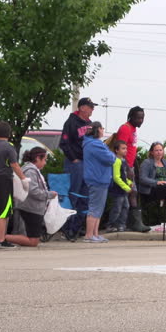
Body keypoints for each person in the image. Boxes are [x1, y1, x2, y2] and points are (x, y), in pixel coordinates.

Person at [0, 121, 27, 248]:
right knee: (4, 210)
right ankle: (2, 240)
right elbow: (14, 164)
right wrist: (23, 178)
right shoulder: (9, 147)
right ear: (9, 133)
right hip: (4, 180)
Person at [4, 147, 57, 247]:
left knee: (32, 239)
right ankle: (0, 237)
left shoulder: (30, 170)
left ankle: (0, 237)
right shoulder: (31, 171)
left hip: (32, 207)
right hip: (31, 208)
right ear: (37, 158)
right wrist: (49, 195)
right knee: (33, 241)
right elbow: (33, 191)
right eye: (44, 159)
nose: (45, 163)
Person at [59, 97, 95, 236]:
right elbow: (64, 143)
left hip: (88, 163)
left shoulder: (90, 124)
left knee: (85, 195)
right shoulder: (71, 122)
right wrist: (73, 159)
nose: (92, 109)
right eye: (90, 107)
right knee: (73, 194)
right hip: (75, 163)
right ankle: (67, 228)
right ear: (82, 108)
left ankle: (78, 227)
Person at [113, 106, 150, 232]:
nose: (140, 120)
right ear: (131, 117)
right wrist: (127, 167)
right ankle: (131, 223)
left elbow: (131, 148)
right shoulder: (125, 128)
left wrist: (134, 163)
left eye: (142, 118)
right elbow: (120, 148)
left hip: (131, 164)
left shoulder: (133, 129)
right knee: (131, 192)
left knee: (132, 193)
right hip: (124, 166)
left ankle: (129, 222)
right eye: (138, 118)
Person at [83, 121, 115, 243]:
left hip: (100, 178)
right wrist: (111, 154)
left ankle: (95, 234)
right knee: (95, 207)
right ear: (98, 130)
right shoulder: (95, 145)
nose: (103, 130)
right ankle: (89, 235)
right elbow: (110, 158)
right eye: (102, 128)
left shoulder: (92, 143)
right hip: (98, 178)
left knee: (98, 208)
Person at [105, 140, 132, 233]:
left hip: (123, 190)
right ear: (116, 150)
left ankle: (121, 225)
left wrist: (128, 182)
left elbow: (123, 176)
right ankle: (111, 225)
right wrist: (126, 187)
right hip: (117, 190)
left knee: (126, 206)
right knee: (117, 208)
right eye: (123, 148)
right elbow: (116, 177)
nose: (125, 150)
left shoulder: (123, 161)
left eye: (126, 148)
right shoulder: (116, 161)